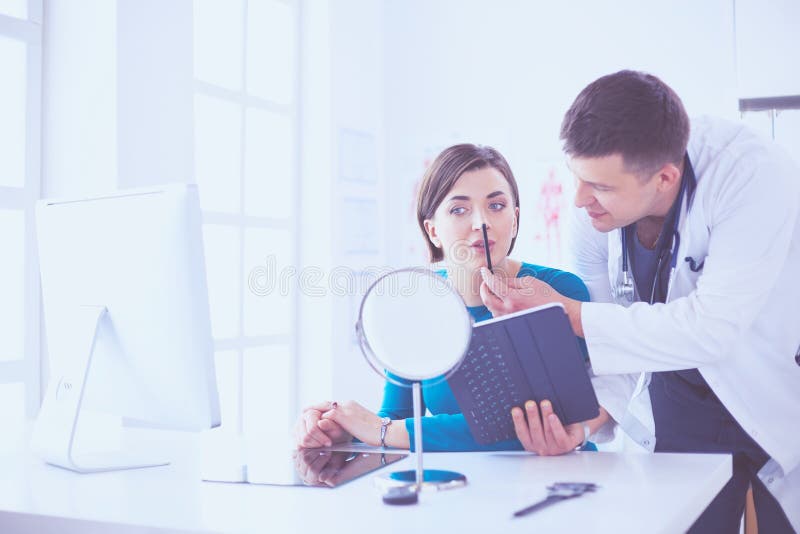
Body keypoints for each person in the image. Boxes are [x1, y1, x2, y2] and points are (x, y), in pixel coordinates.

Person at [479, 70, 799, 532]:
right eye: (577, 177)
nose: (580, 200)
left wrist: (565, 313)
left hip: (766, 395)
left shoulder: (750, 174)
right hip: (675, 410)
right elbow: (622, 342)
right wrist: (586, 423)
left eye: (602, 187)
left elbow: (711, 329)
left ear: (664, 177)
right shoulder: (592, 209)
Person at [293, 143, 598, 453]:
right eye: (459, 209)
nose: (481, 222)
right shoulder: (415, 306)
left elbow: (531, 424)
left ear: (515, 219)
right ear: (433, 230)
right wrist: (344, 431)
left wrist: (376, 429)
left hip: (563, 477)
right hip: (463, 487)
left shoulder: (561, 291)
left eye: (496, 206)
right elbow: (396, 418)